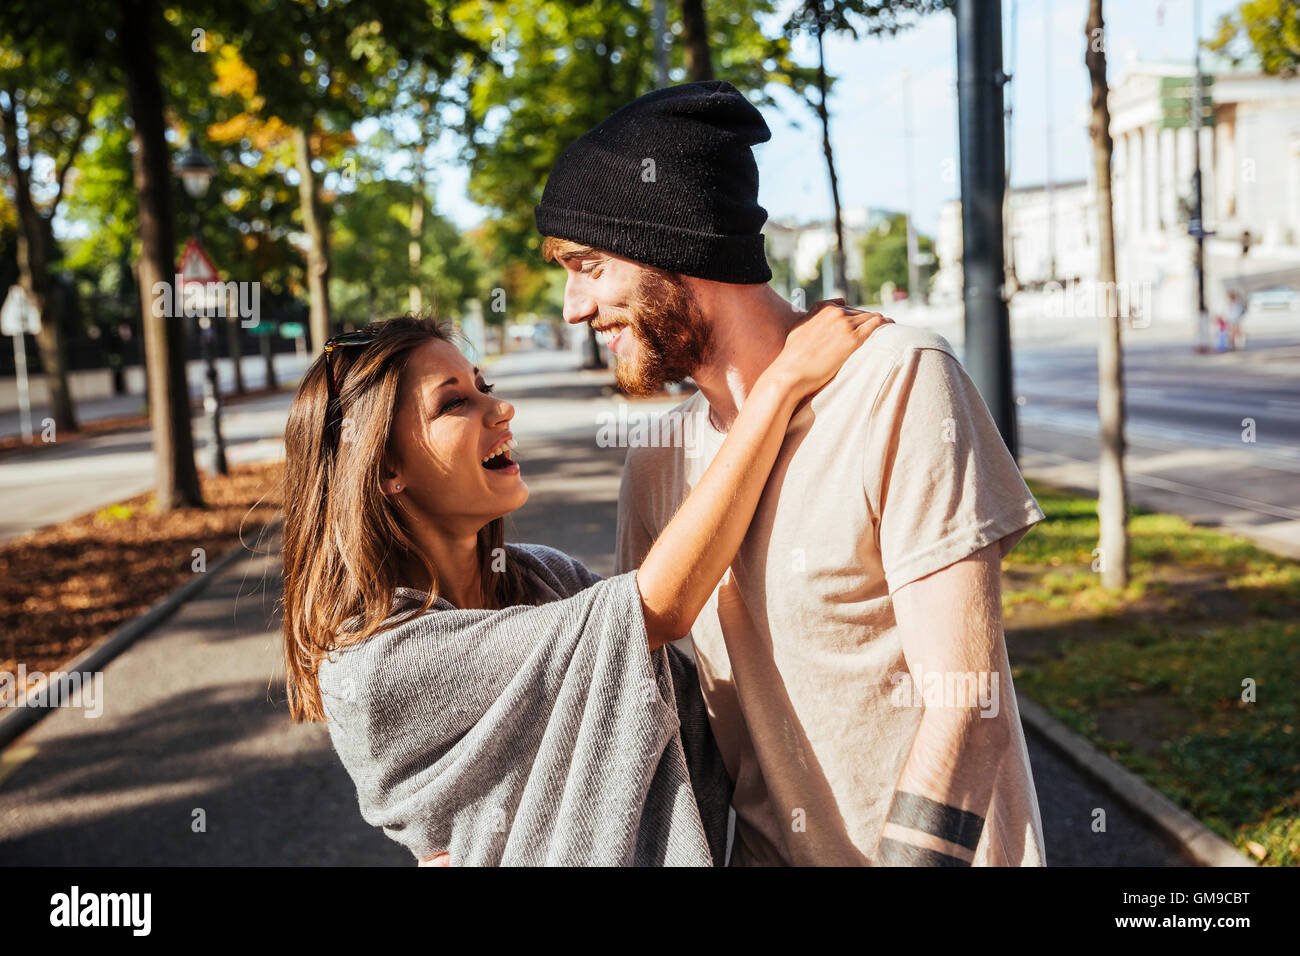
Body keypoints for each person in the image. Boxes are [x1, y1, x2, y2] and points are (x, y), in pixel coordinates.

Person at [535, 80, 1048, 866]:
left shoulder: (897, 382)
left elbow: (968, 710)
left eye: (589, 265)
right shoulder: (657, 466)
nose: (574, 306)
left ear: (679, 247)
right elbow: (649, 723)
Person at [280, 306, 891, 865]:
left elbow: (682, 684)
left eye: (484, 387)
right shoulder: (374, 666)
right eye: (453, 403)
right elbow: (658, 607)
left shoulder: (543, 578)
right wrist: (781, 385)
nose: (499, 409)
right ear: (385, 468)